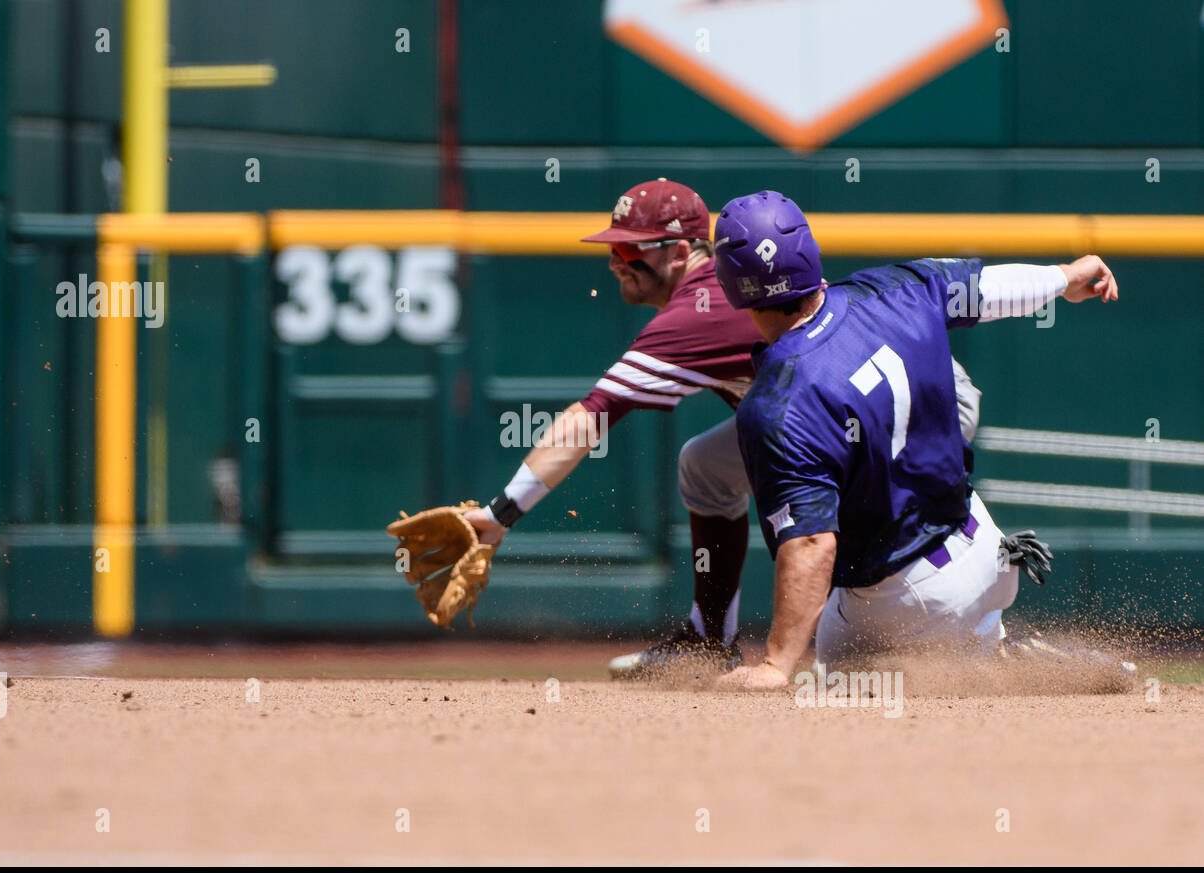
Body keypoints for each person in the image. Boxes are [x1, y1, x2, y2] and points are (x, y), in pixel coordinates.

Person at [463, 180, 982, 678]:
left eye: (630, 252)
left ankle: (977, 628)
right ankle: (712, 639)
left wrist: (500, 515)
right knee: (705, 465)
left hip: (920, 403)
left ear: (679, 251)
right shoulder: (707, 295)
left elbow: (589, 417)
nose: (616, 263)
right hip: (871, 401)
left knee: (864, 569)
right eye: (613, 253)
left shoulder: (694, 314)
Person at [704, 189, 1132, 691]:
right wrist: (1064, 277)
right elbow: (987, 289)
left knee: (830, 686)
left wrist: (776, 665)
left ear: (734, 284)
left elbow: (814, 543)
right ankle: (1006, 653)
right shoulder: (891, 287)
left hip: (901, 600)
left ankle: (984, 656)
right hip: (985, 548)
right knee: (950, 647)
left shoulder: (776, 402)